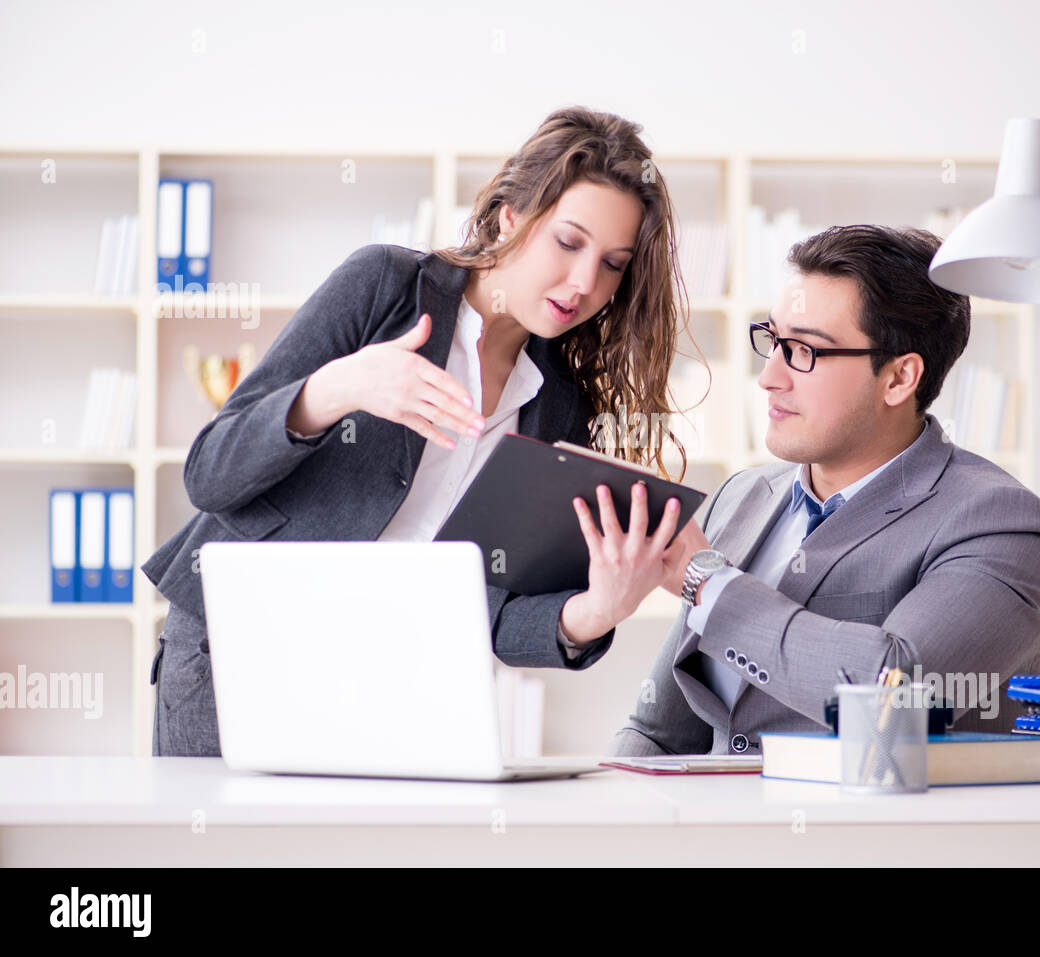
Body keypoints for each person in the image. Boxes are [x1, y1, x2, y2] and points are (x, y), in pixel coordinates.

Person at [144, 106, 688, 756]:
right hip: (238, 649)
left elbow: (492, 608)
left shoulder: (557, 405)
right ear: (511, 216)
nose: (584, 283)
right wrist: (338, 388)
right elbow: (210, 471)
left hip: (384, 681)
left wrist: (598, 609)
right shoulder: (385, 286)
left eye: (612, 263)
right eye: (568, 242)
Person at [608, 224, 1040, 756]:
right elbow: (658, 731)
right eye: (774, 341)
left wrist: (711, 587)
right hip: (722, 830)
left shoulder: (1001, 522)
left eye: (804, 350)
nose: (770, 377)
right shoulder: (745, 495)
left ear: (899, 378)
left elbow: (895, 697)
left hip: (871, 835)